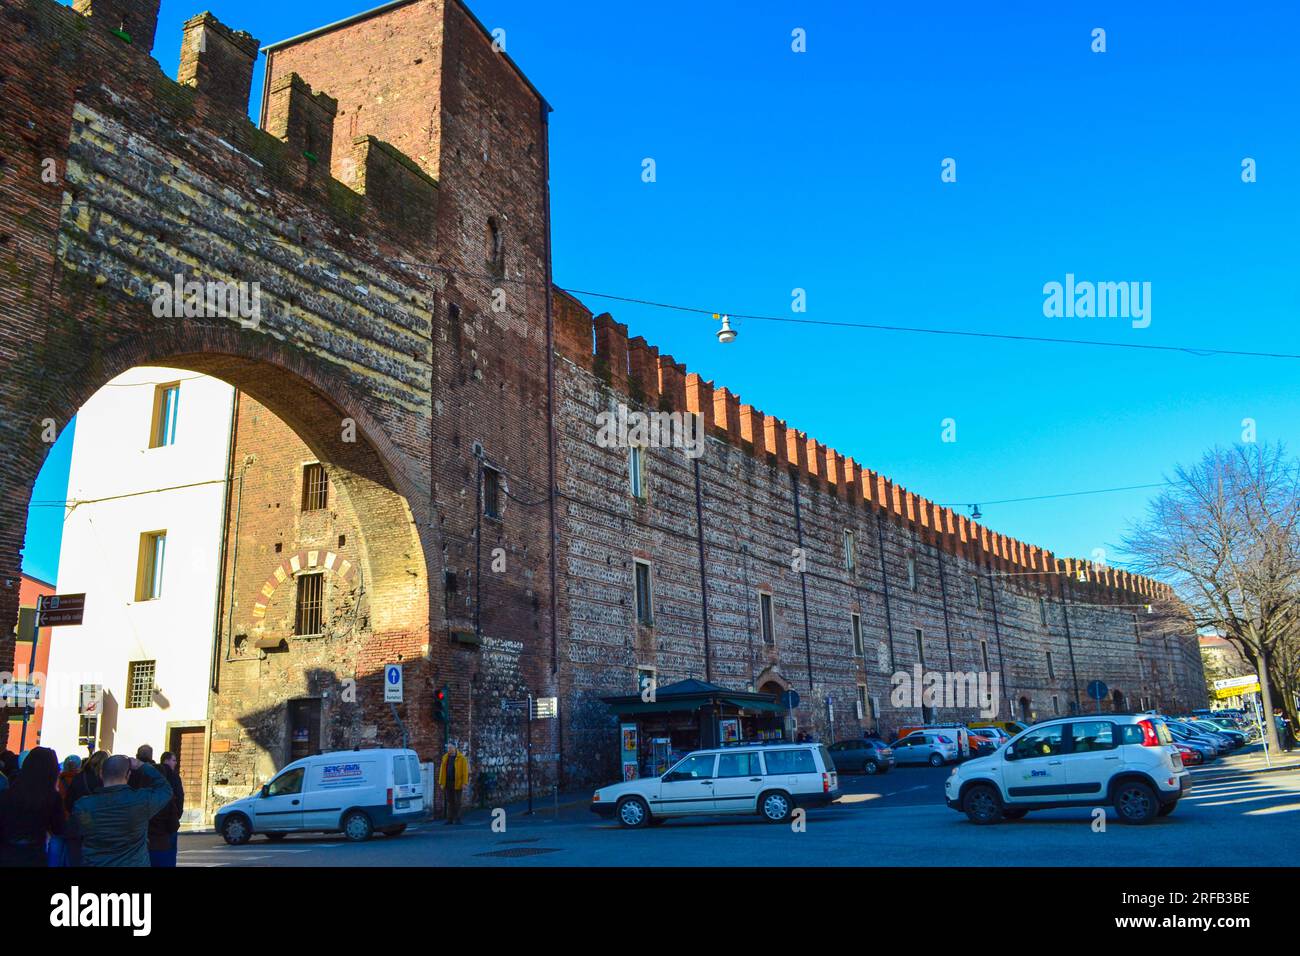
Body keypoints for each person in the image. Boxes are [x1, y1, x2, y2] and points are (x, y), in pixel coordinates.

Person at [67, 754, 173, 867]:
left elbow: (77, 831)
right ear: (128, 775)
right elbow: (165, 789)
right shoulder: (141, 801)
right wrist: (141, 765)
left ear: (101, 773)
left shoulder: (83, 806)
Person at [0, 746, 65, 867]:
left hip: (6, 853)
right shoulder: (52, 798)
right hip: (34, 854)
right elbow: (59, 829)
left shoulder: (6, 795)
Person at [64, 750, 108, 866]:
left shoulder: (79, 777)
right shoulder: (105, 781)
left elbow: (68, 802)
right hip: (97, 827)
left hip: (77, 825)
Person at [148, 751, 184, 867]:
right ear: (166, 760)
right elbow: (180, 796)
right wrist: (177, 815)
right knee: (169, 855)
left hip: (150, 833)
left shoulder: (149, 778)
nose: (176, 763)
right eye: (173, 760)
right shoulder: (173, 777)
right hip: (167, 828)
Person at [437, 743, 468, 825]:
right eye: (448, 748)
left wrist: (464, 783)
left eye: (450, 747)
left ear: (455, 748)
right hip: (448, 782)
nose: (449, 749)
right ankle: (449, 819)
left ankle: (458, 819)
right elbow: (442, 771)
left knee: (457, 801)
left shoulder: (462, 758)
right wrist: (441, 782)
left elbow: (465, 772)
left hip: (457, 782)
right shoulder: (445, 757)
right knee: (450, 801)